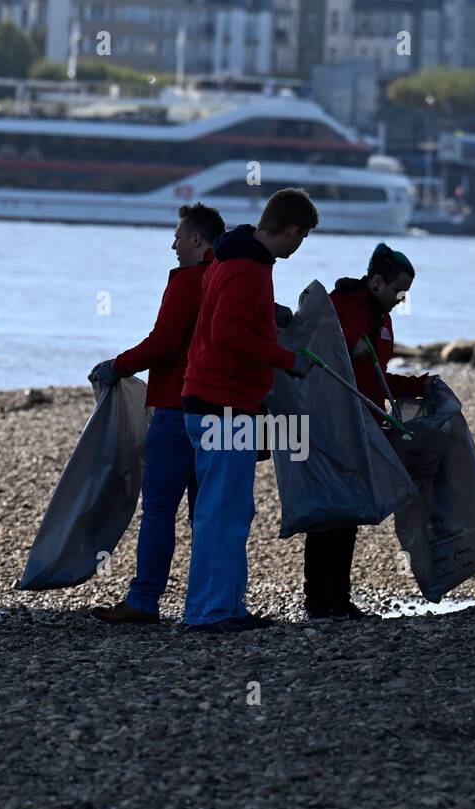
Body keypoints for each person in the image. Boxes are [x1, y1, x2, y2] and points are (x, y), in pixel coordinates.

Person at [180, 188, 318, 633]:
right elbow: (229, 334)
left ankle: (222, 605)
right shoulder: (248, 267)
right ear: (292, 231)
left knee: (227, 509)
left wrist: (268, 314)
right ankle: (212, 612)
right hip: (223, 403)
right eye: (303, 237)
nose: (300, 246)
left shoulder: (230, 255)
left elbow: (227, 316)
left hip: (211, 399)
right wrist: (288, 360)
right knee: (224, 510)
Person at [87, 203, 225, 625]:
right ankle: (210, 601)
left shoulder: (190, 280)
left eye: (179, 235)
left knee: (161, 507)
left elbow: (163, 342)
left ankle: (144, 600)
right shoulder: (228, 279)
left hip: (175, 406)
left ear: (197, 239)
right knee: (210, 512)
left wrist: (116, 366)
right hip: (220, 411)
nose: (173, 243)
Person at [304, 242, 429, 620]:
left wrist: (419, 385)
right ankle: (318, 602)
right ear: (376, 281)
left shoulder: (383, 319)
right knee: (330, 513)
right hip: (331, 426)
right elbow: (308, 350)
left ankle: (338, 599)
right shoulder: (336, 305)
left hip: (366, 428)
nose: (400, 299)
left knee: (352, 514)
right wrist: (344, 344)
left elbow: (378, 378)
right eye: (397, 291)